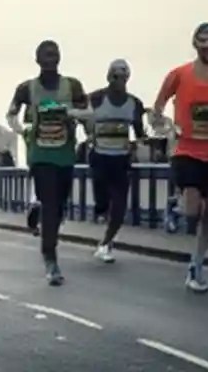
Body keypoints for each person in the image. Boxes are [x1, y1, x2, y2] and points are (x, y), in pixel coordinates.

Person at [150, 23, 208, 293]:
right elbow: (157, 109)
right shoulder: (179, 74)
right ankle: (175, 205)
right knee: (192, 211)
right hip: (187, 150)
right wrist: (165, 126)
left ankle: (196, 265)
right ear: (195, 43)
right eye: (205, 41)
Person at [6, 40, 89, 286]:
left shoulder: (72, 86)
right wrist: (20, 130)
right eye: (46, 55)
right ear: (38, 59)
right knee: (51, 202)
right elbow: (10, 113)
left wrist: (72, 114)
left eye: (54, 54)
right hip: (40, 155)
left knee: (59, 204)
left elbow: (89, 112)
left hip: (64, 155)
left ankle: (44, 219)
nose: (50, 58)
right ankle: (50, 258)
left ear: (60, 57)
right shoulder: (26, 88)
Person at [84, 59, 146, 262]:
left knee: (120, 205)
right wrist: (88, 131)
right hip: (100, 157)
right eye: (116, 77)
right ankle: (102, 213)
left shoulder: (134, 104)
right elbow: (80, 116)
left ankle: (106, 243)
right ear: (109, 77)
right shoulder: (96, 98)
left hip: (121, 159)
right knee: (103, 202)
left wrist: (141, 144)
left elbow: (139, 132)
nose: (119, 82)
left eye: (123, 78)